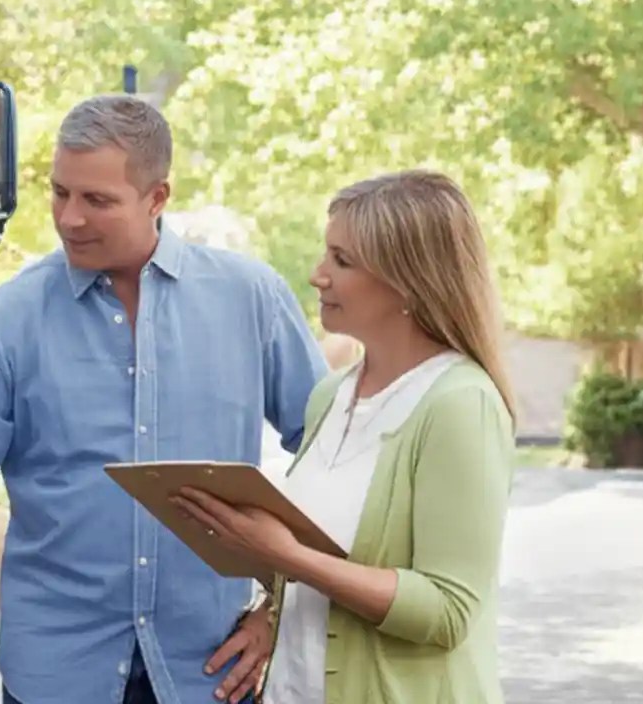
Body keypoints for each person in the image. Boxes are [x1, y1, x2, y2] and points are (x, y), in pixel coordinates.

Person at [0, 93, 328, 704]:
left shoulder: (251, 299)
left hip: (208, 673)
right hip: (56, 674)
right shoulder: (9, 319)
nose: (69, 218)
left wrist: (283, 607)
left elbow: (331, 454)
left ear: (157, 197)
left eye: (97, 200)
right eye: (60, 192)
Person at [174, 170, 516, 703]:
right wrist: (271, 615)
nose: (317, 276)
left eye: (342, 260)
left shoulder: (459, 405)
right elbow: (327, 553)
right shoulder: (329, 397)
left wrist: (288, 558)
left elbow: (448, 609)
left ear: (409, 282)